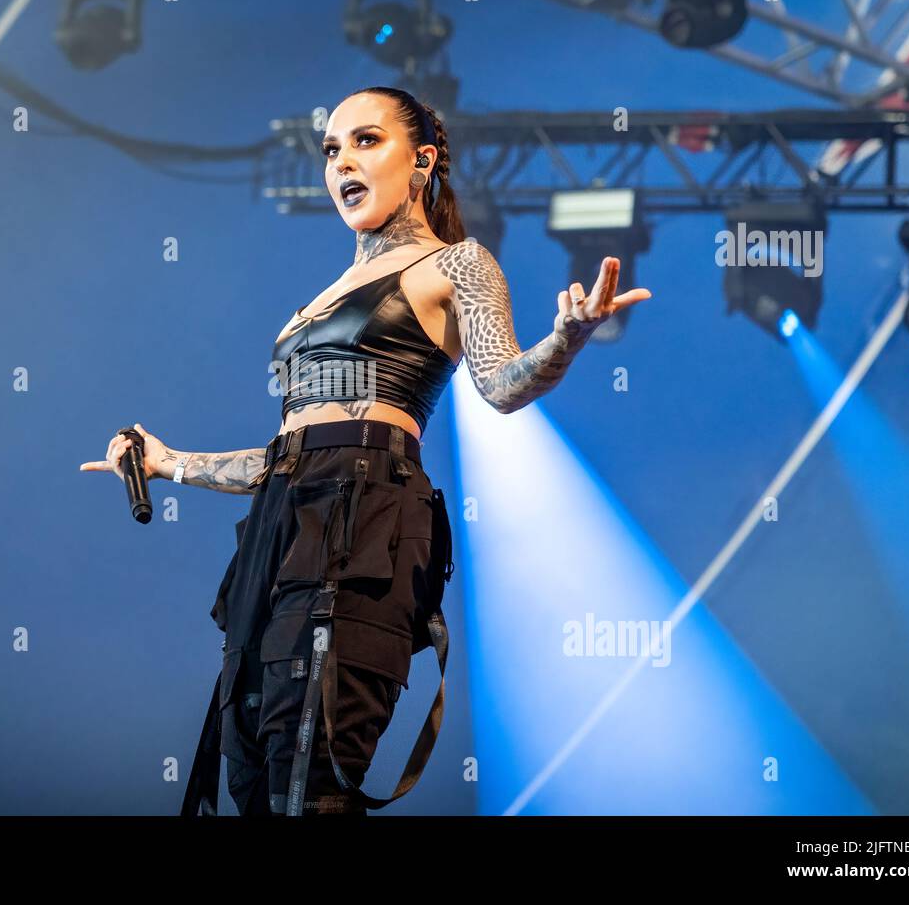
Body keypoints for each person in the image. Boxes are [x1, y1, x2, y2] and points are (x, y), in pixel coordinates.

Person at [80, 86, 651, 815]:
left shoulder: (456, 265)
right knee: (252, 764)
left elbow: (503, 384)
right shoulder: (317, 299)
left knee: (311, 768)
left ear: (422, 161)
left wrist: (565, 340)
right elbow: (289, 457)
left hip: (368, 519)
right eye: (331, 149)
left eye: (366, 141)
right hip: (284, 530)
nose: (343, 160)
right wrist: (171, 463)